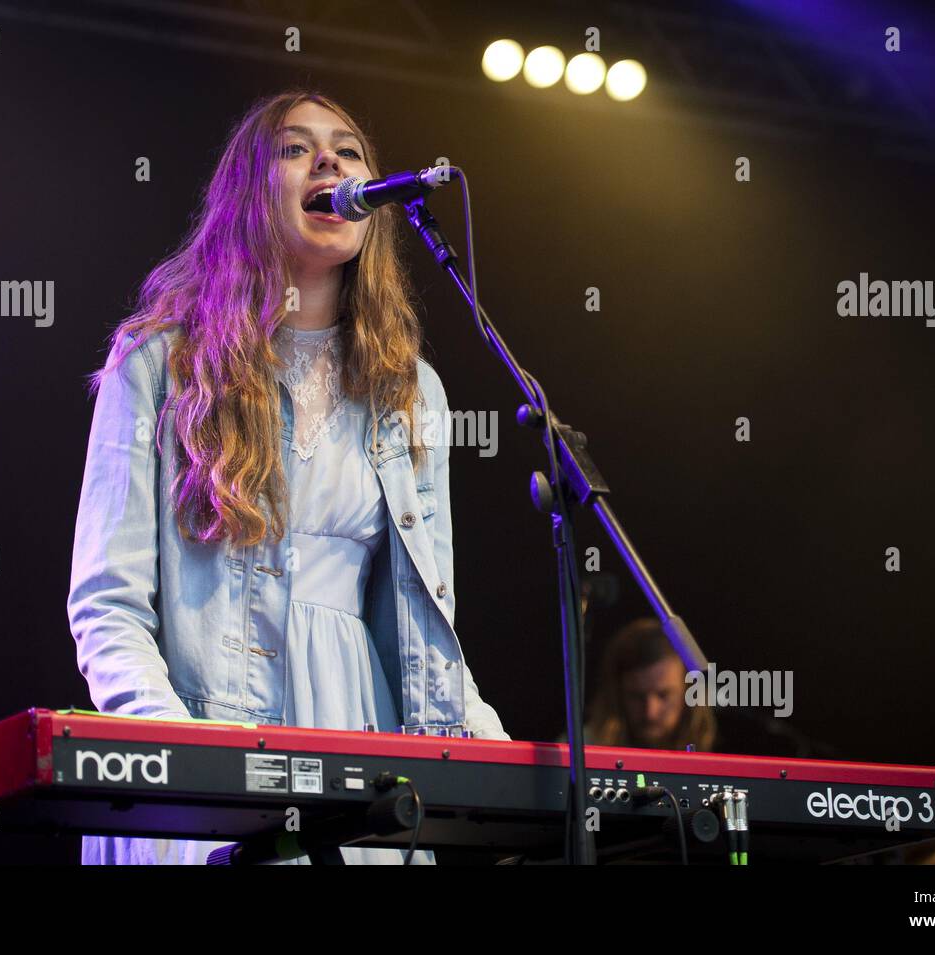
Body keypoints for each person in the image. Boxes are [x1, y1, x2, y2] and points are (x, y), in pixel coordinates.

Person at [66, 90, 509, 865]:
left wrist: (501, 754)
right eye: (296, 148)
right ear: (246, 196)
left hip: (361, 747)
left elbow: (427, 625)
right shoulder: (160, 365)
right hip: (203, 749)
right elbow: (108, 608)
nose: (330, 161)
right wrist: (185, 766)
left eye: (348, 149)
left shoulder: (412, 392)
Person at [580, 617, 717, 751]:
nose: (650, 712)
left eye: (663, 695)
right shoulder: (580, 752)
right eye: (637, 696)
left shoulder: (714, 759)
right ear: (616, 694)